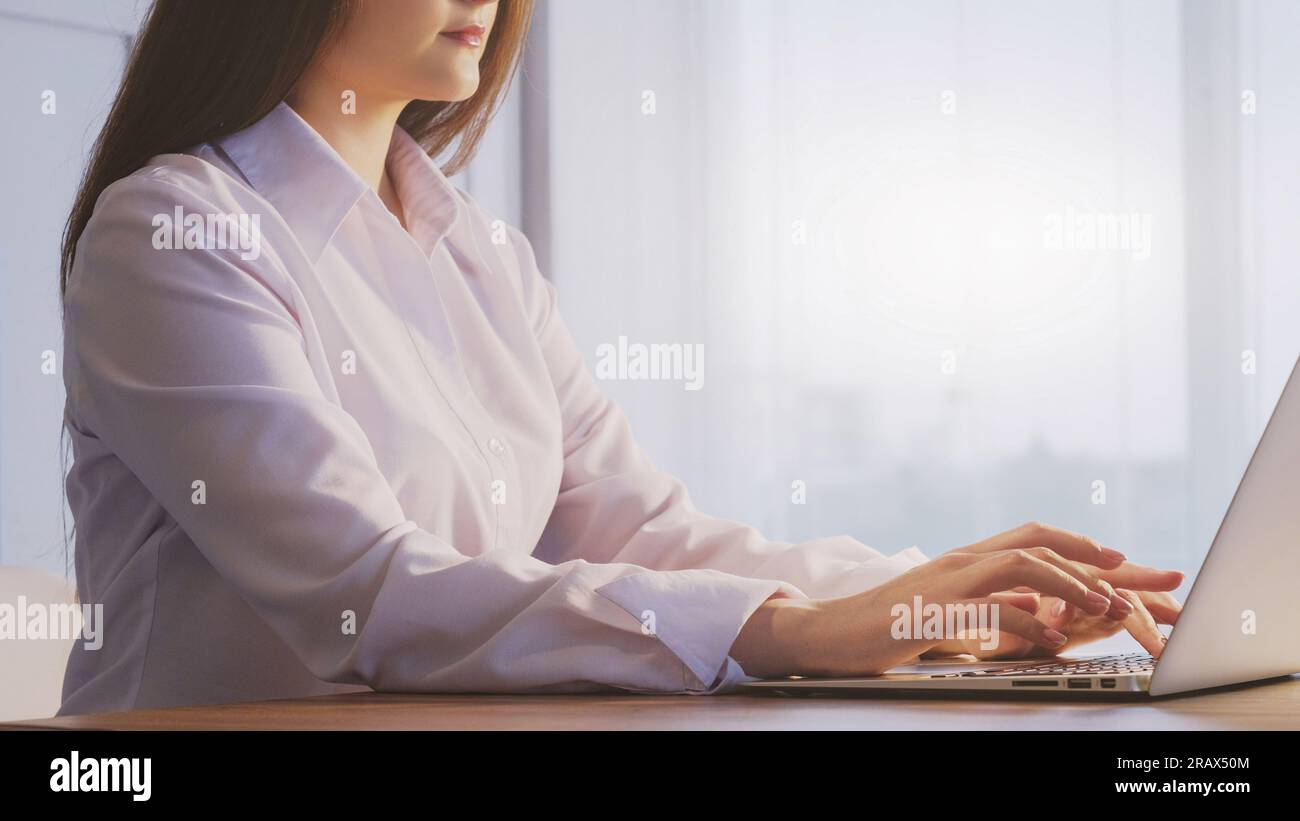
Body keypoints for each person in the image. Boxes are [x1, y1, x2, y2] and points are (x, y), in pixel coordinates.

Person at [57, 0, 1183, 715]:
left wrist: (930, 598)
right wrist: (791, 630)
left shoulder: (479, 253)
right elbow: (366, 591)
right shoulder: (176, 232)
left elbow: (644, 534)